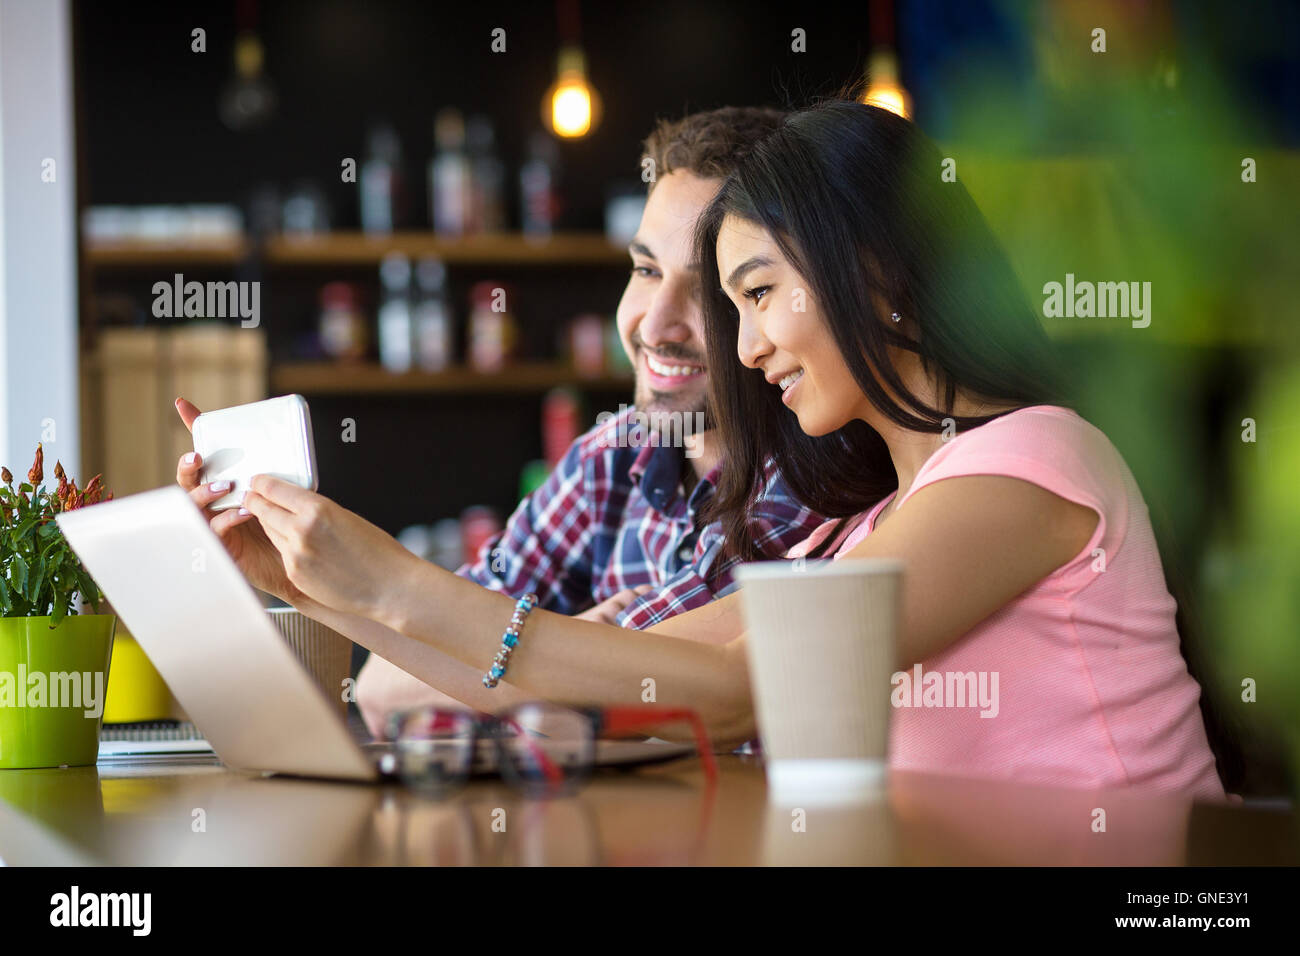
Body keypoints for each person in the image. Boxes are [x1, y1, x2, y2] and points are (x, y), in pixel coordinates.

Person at [178, 100, 1224, 798]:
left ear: (881, 269)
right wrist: (321, 587)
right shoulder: (868, 520)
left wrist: (397, 582)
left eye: (758, 294)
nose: (749, 345)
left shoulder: (1032, 462)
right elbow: (657, 671)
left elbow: (731, 686)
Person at [176, 106, 826, 733]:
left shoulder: (820, 478)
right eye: (646, 270)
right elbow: (382, 692)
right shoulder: (610, 458)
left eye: (711, 288)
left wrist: (547, 650)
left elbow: (667, 698)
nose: (655, 324)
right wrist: (580, 650)